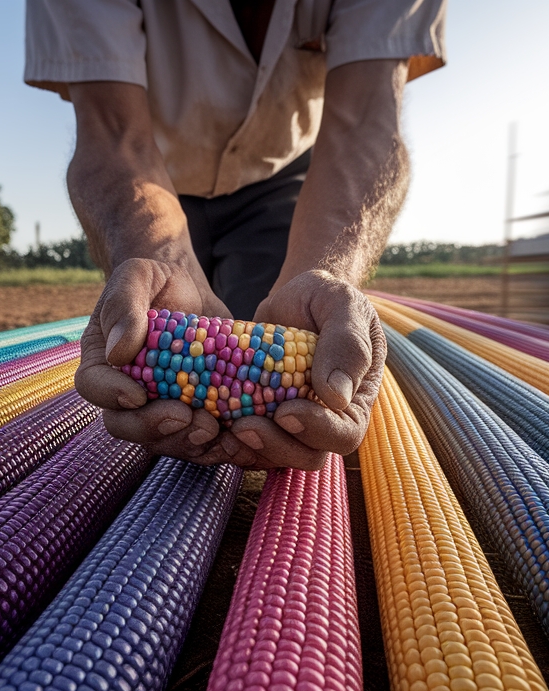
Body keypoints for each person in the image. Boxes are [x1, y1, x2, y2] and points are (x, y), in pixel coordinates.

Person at [25, 0, 447, 469]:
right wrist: (159, 264)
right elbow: (113, 131)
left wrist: (326, 274)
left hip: (287, 179)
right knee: (165, 377)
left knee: (288, 361)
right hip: (150, 179)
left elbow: (365, 122)